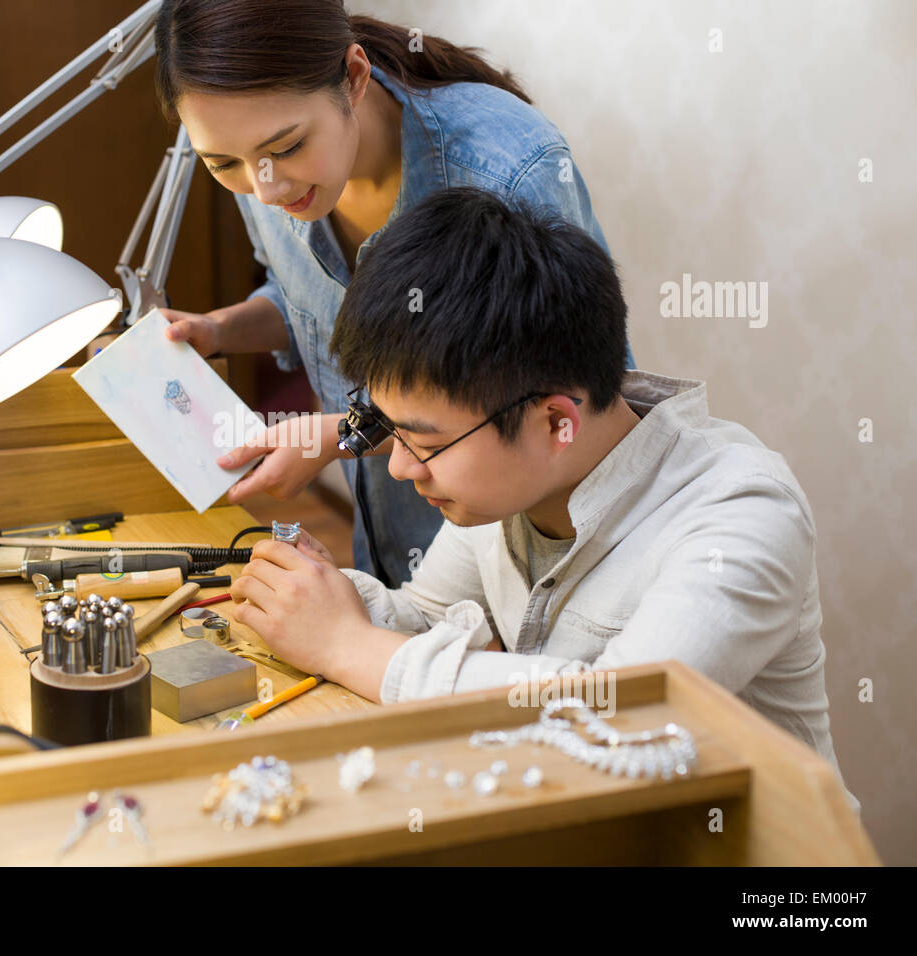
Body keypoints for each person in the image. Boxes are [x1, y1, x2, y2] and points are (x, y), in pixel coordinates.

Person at [228, 186, 859, 813]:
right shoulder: (509, 486)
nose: (396, 466)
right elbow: (425, 620)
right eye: (383, 426)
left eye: (421, 441)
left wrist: (346, 644)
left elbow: (617, 717)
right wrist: (323, 595)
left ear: (557, 421)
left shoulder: (742, 513)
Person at [153, 0, 634, 586]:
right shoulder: (262, 167)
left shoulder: (505, 171)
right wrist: (223, 330)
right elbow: (311, 300)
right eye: (223, 162)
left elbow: (546, 389)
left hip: (539, 551)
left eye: (285, 148)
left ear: (353, 78)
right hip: (395, 545)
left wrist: (337, 437)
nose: (265, 187)